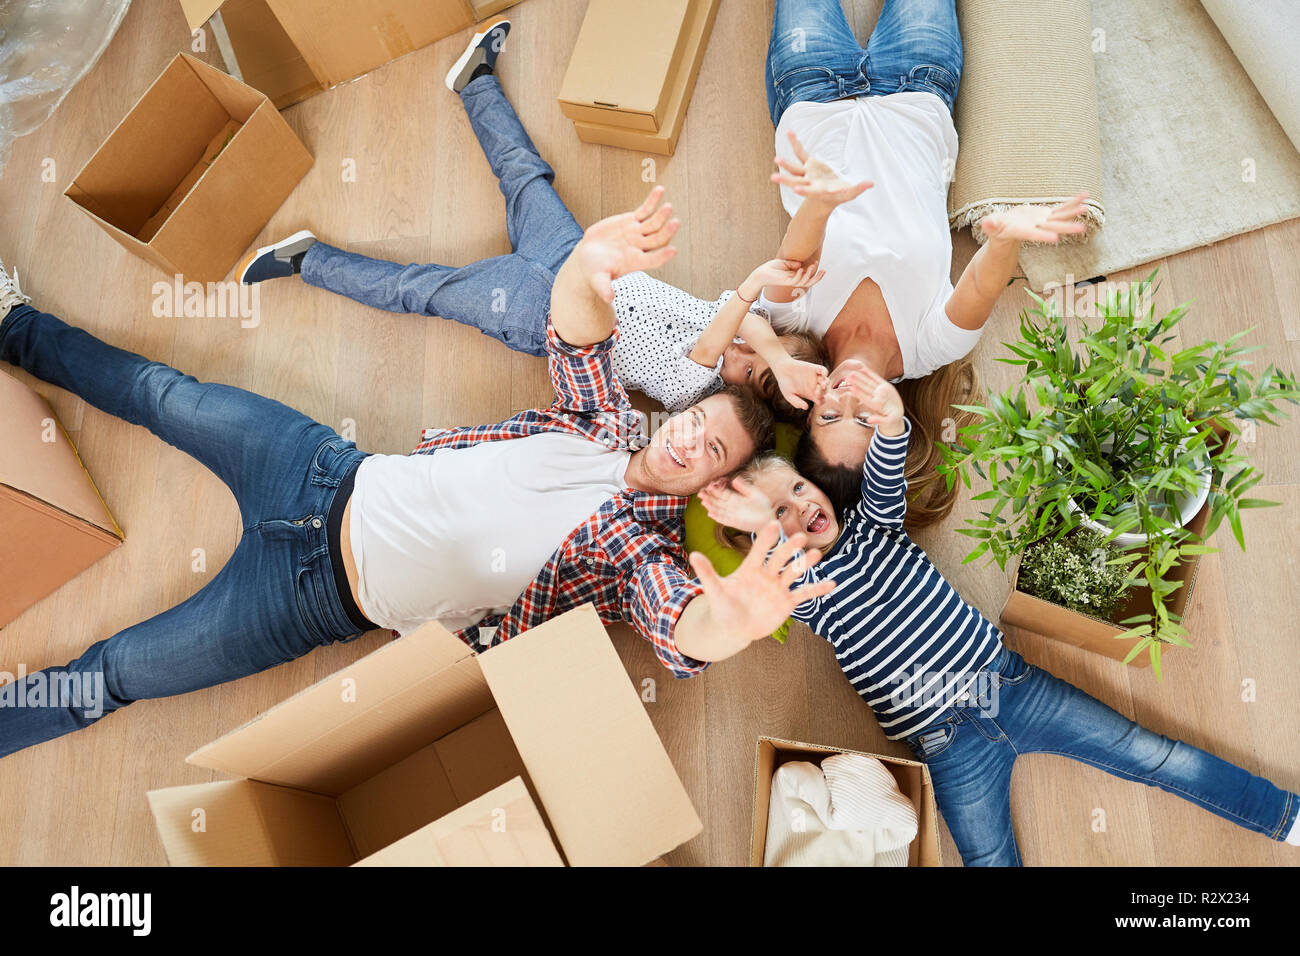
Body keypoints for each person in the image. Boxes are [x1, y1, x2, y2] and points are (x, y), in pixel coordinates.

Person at [0, 186, 836, 759]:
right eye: (694, 421)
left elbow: (676, 628)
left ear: (707, 491)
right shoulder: (605, 423)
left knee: (113, 677)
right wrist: (587, 265)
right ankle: (17, 324)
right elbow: (578, 336)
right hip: (319, 471)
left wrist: (728, 625)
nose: (690, 442)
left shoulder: (632, 557)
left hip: (314, 601)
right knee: (161, 392)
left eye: (713, 453)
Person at [698, 368, 1300, 866]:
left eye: (800, 490)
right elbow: (769, 576)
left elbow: (885, 465)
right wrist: (760, 519)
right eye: (778, 514)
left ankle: (1283, 816)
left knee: (1152, 754)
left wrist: (890, 417)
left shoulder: (871, 525)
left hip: (1010, 685)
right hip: (947, 741)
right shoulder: (801, 588)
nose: (802, 508)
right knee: (988, 861)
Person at [238, 18, 830, 422]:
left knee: (419, 289)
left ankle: (306, 260)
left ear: (740, 396)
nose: (746, 357)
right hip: (575, 258)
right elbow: (746, 324)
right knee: (525, 175)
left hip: (536, 310)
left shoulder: (695, 389)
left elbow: (720, 337)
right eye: (763, 350)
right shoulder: (739, 326)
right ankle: (474, 83)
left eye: (749, 376)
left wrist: (764, 333)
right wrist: (774, 351)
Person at [760, 0, 1088, 522]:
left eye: (829, 414)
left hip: (811, 93)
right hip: (917, 88)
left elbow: (791, 258)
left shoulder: (795, 336)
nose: (848, 398)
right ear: (893, 421)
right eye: (864, 419)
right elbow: (978, 289)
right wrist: (1004, 239)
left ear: (807, 413)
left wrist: (821, 203)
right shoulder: (931, 346)